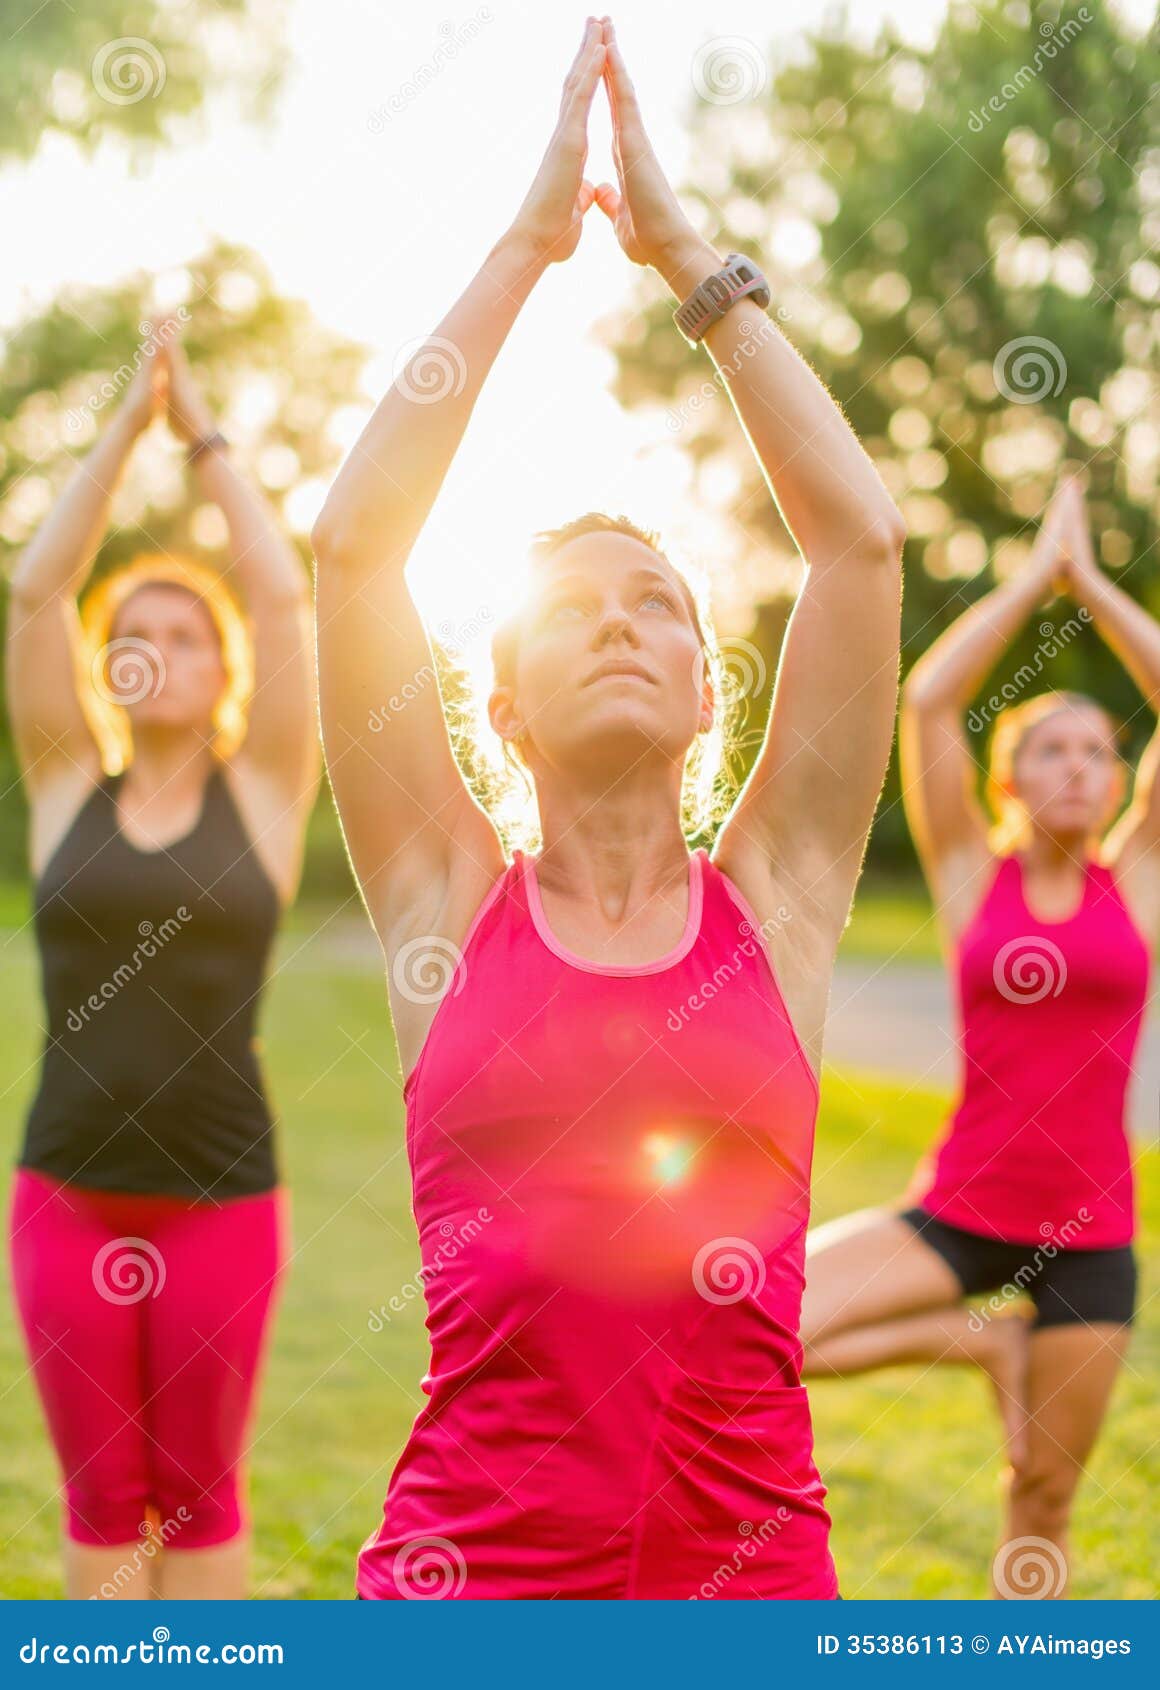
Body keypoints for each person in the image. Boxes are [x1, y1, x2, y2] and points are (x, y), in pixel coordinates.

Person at [314, 14, 904, 1600]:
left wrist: (687, 262)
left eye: (660, 606)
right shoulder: (446, 894)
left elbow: (859, 548)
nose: (624, 622)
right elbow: (356, 552)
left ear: (714, 692)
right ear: (499, 704)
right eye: (572, 609)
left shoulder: (775, 897)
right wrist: (523, 244)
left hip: (749, 1591)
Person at [5, 328, 319, 1599]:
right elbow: (34, 593)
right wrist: (120, 430)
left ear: (224, 668)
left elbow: (287, 594)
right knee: (102, 1498)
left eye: (187, 632)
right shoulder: (64, 780)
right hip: (67, 1185)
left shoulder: (266, 792)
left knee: (197, 1497)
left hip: (221, 1191)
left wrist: (199, 437)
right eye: (132, 632)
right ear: (105, 668)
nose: (160, 648)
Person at [799, 476, 1152, 1598]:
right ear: (1007, 780)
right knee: (768, 1326)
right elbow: (925, 701)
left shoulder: (1135, 883)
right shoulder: (970, 875)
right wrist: (1027, 583)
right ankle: (977, 1341)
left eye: (1097, 752)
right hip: (956, 1211)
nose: (1077, 768)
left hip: (1089, 1236)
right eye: (1050, 749)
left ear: (1116, 782)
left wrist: (1090, 586)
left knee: (1038, 1494)